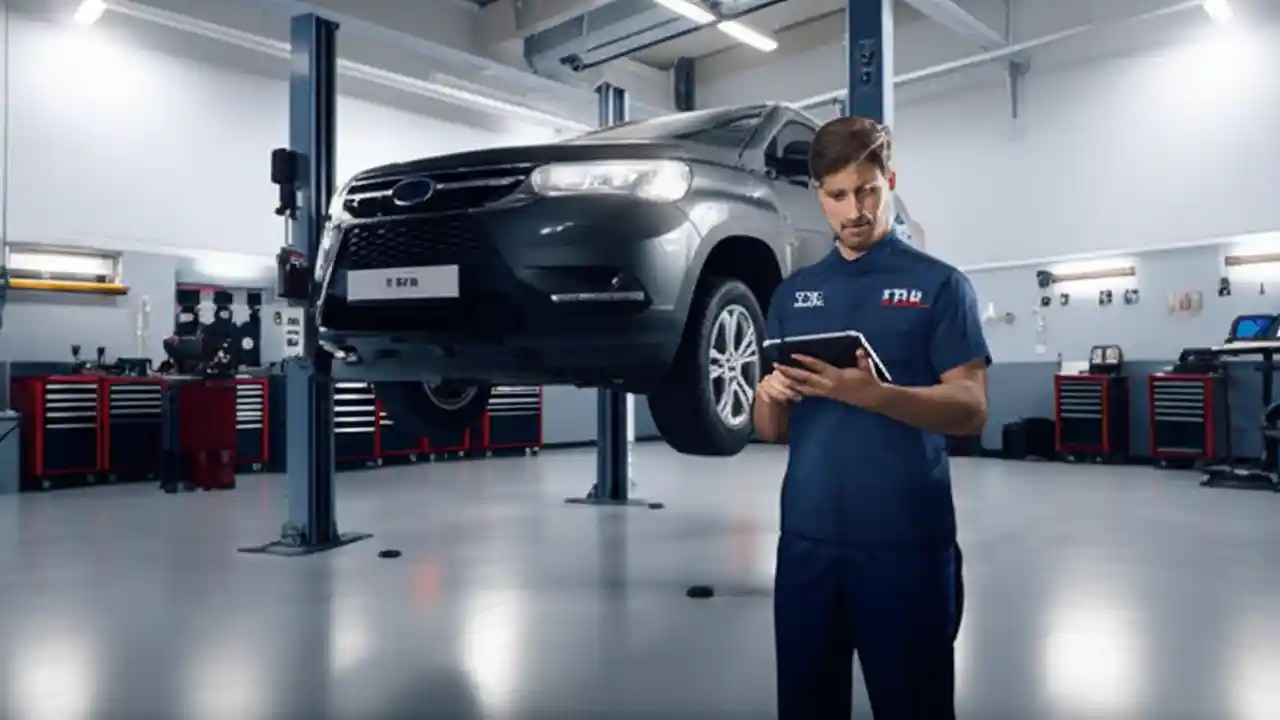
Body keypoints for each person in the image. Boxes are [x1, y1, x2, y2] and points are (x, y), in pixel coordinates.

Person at [753, 116, 991, 719]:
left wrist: (871, 393)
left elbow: (970, 409)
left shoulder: (940, 286)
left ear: (890, 180)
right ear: (819, 196)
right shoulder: (793, 295)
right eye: (837, 195)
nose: (854, 209)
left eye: (867, 190)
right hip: (807, 545)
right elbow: (771, 433)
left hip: (905, 546)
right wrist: (768, 399)